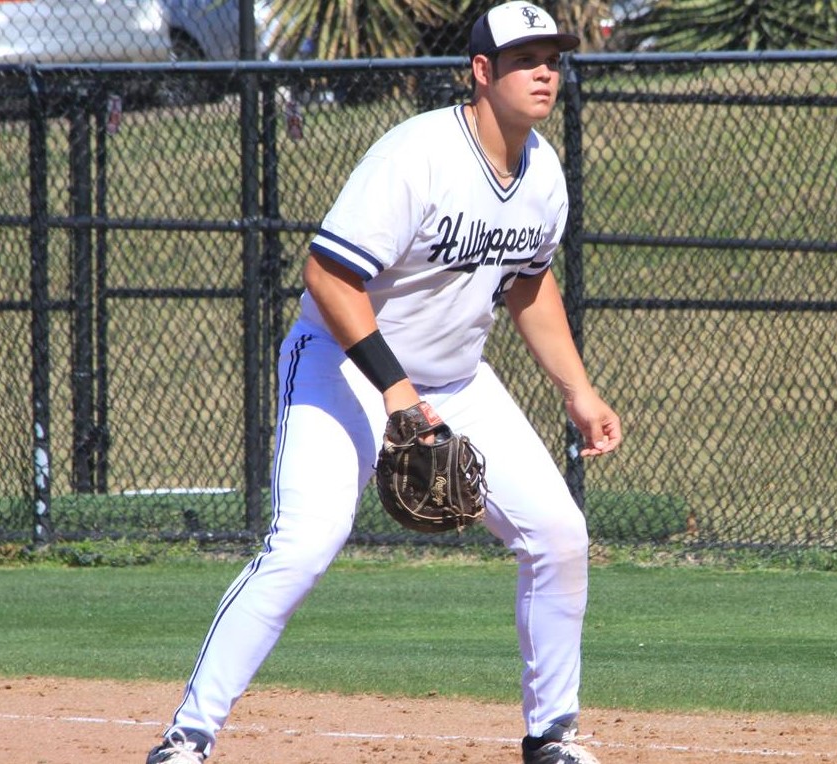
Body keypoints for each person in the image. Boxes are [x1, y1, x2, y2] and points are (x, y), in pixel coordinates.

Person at [144, 3, 621, 762]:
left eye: (552, 58)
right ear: (480, 71)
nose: (543, 72)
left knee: (559, 536)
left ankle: (552, 738)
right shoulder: (417, 155)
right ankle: (186, 739)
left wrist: (577, 389)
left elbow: (530, 283)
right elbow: (329, 277)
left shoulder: (543, 175)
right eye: (525, 58)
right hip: (342, 367)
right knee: (302, 546)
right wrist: (397, 394)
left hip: (457, 382)